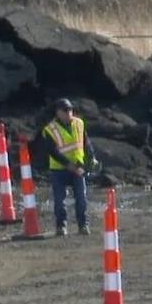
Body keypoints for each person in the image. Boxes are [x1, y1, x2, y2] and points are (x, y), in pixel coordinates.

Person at [41, 98, 99, 236]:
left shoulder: (79, 123)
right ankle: (61, 226)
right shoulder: (50, 129)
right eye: (65, 110)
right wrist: (68, 165)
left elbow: (85, 142)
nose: (69, 113)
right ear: (58, 112)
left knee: (81, 198)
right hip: (59, 169)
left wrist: (91, 157)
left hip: (78, 167)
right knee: (60, 200)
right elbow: (52, 151)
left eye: (70, 110)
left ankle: (83, 225)